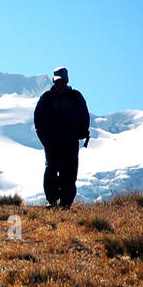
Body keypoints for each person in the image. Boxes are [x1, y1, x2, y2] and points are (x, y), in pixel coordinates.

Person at [33, 67, 90, 208]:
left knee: (69, 173)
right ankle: (52, 201)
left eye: (62, 81)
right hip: (52, 142)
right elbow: (38, 121)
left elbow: (84, 118)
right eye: (58, 81)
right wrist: (45, 139)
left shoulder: (76, 97)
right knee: (51, 170)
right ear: (53, 81)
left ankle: (65, 203)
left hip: (70, 142)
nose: (60, 84)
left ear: (67, 80)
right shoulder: (46, 98)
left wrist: (81, 132)